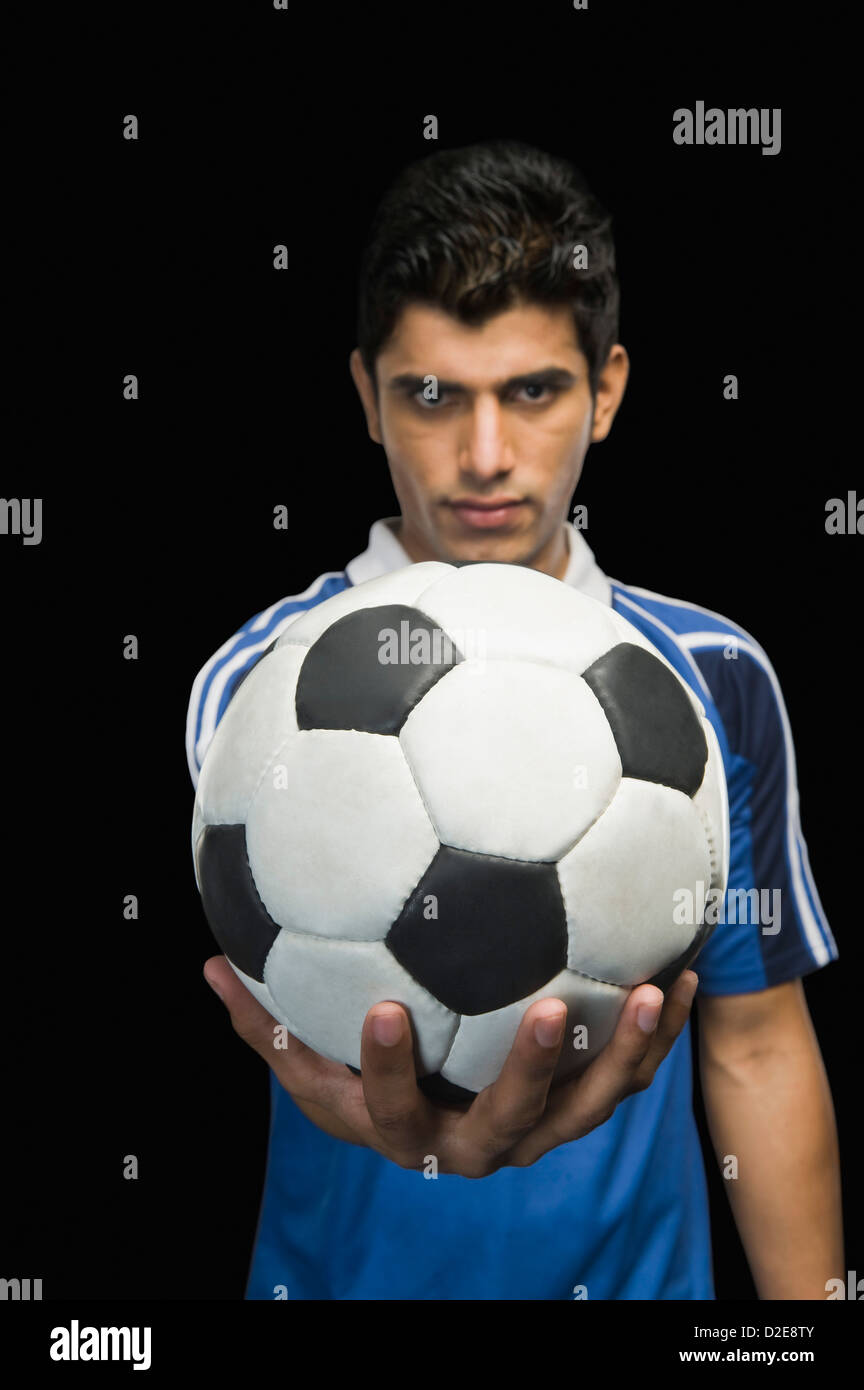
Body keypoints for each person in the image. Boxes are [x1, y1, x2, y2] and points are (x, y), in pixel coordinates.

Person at [185, 140, 842, 1300]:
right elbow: (283, 1029)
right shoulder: (251, 688)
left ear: (609, 388)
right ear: (366, 398)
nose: (484, 457)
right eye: (432, 395)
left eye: (533, 391)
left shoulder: (709, 671)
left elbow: (755, 1041)